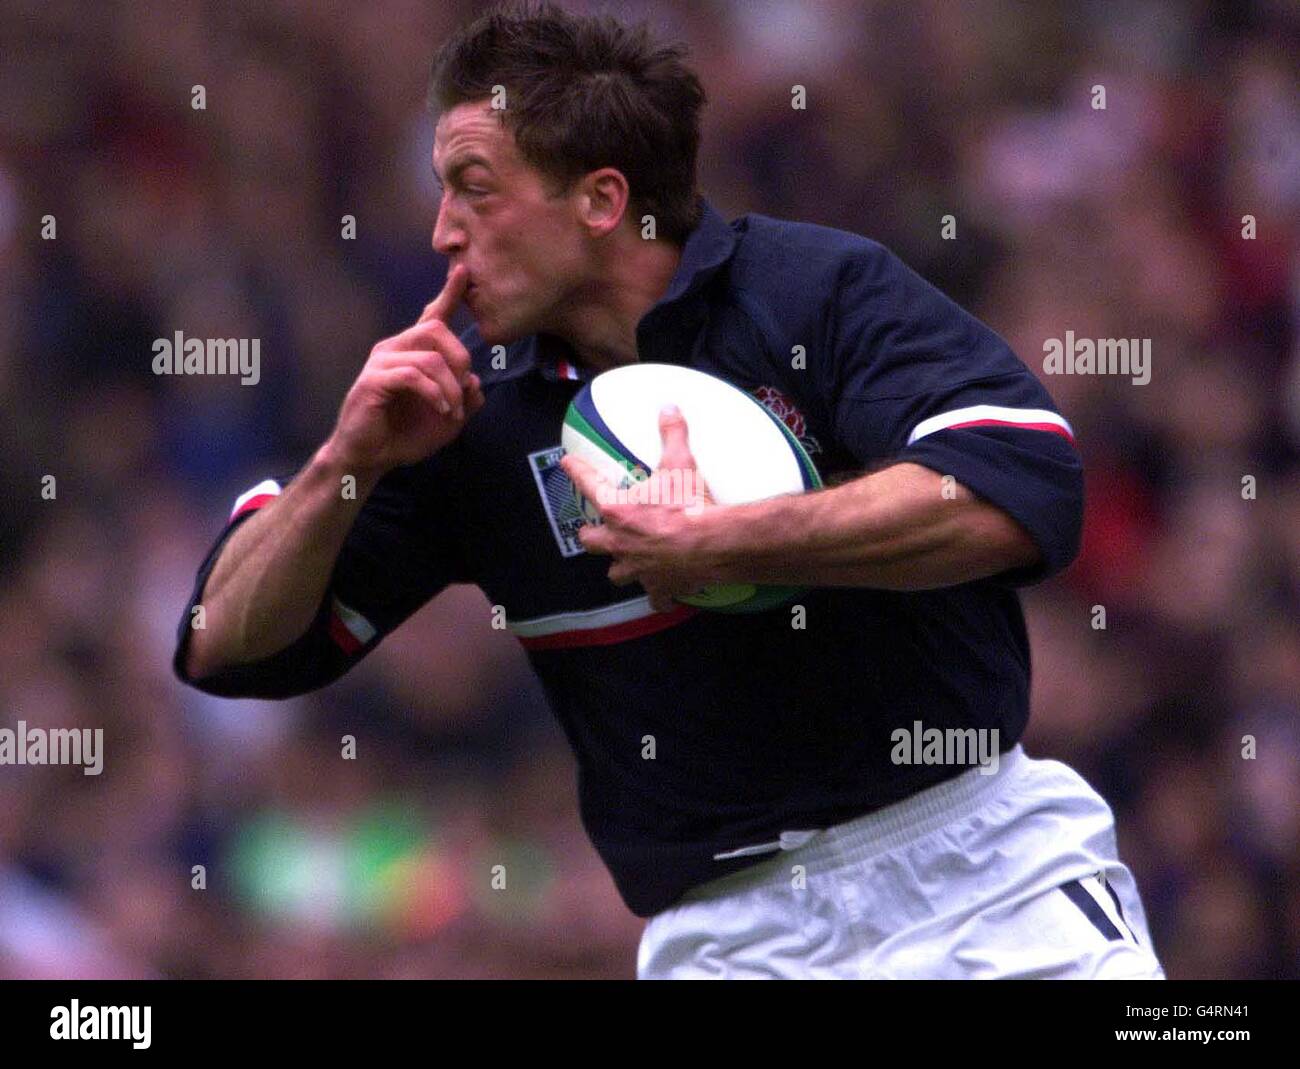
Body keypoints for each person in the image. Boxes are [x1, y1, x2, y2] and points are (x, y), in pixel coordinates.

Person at [174, 1, 1163, 979]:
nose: (440, 231)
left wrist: (738, 541)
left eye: (473, 188)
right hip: (730, 941)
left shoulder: (814, 292)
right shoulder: (453, 410)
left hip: (982, 872)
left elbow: (1018, 483)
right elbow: (220, 642)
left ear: (602, 201)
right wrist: (345, 461)